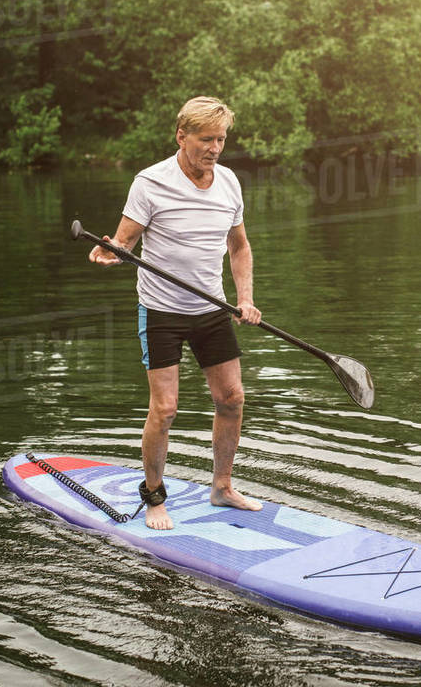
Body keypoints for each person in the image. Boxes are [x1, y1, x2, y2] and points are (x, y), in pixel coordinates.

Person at [89, 96, 262, 531]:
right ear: (181, 136)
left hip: (211, 309)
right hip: (161, 311)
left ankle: (222, 487)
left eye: (221, 139)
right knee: (165, 409)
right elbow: (124, 242)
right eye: (206, 139)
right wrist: (111, 253)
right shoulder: (150, 182)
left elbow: (239, 246)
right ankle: (154, 497)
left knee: (232, 398)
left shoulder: (229, 183)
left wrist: (245, 299)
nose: (215, 148)